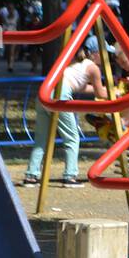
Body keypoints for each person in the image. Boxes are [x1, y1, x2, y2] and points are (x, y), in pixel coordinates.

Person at [23, 42, 109, 188]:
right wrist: (118, 92)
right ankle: (70, 176)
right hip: (59, 95)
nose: (108, 57)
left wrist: (105, 89)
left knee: (41, 139)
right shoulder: (93, 68)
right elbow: (101, 93)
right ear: (96, 53)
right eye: (106, 53)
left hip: (44, 92)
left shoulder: (75, 63)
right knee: (72, 138)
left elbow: (82, 86)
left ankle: (31, 175)